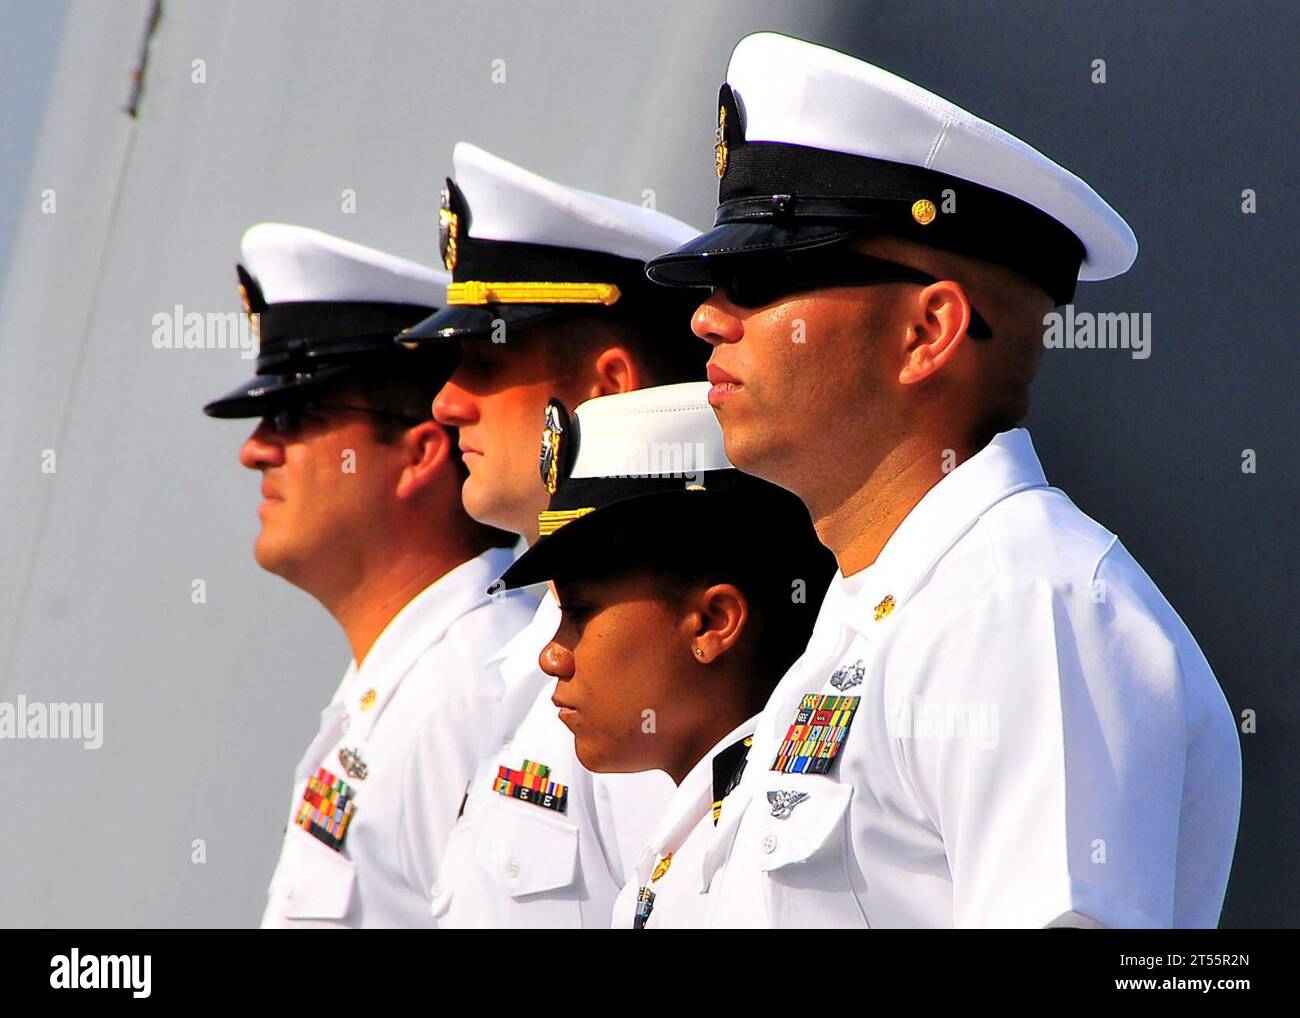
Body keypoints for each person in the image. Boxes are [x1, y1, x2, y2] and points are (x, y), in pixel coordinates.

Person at [646, 32, 1241, 928]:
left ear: (927, 333)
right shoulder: (874, 614)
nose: (705, 317)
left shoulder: (1028, 610)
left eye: (760, 275)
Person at [397, 142, 709, 926]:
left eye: (482, 364)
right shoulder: (541, 656)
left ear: (608, 388)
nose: (444, 403)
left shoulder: (661, 663)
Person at [203, 223, 532, 927]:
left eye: (292, 416)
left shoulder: (471, 692)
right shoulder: (407, 680)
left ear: (417, 456)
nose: (255, 451)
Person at [493, 382, 834, 928]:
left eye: (578, 611)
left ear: (713, 622)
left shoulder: (785, 854)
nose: (552, 657)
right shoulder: (681, 850)